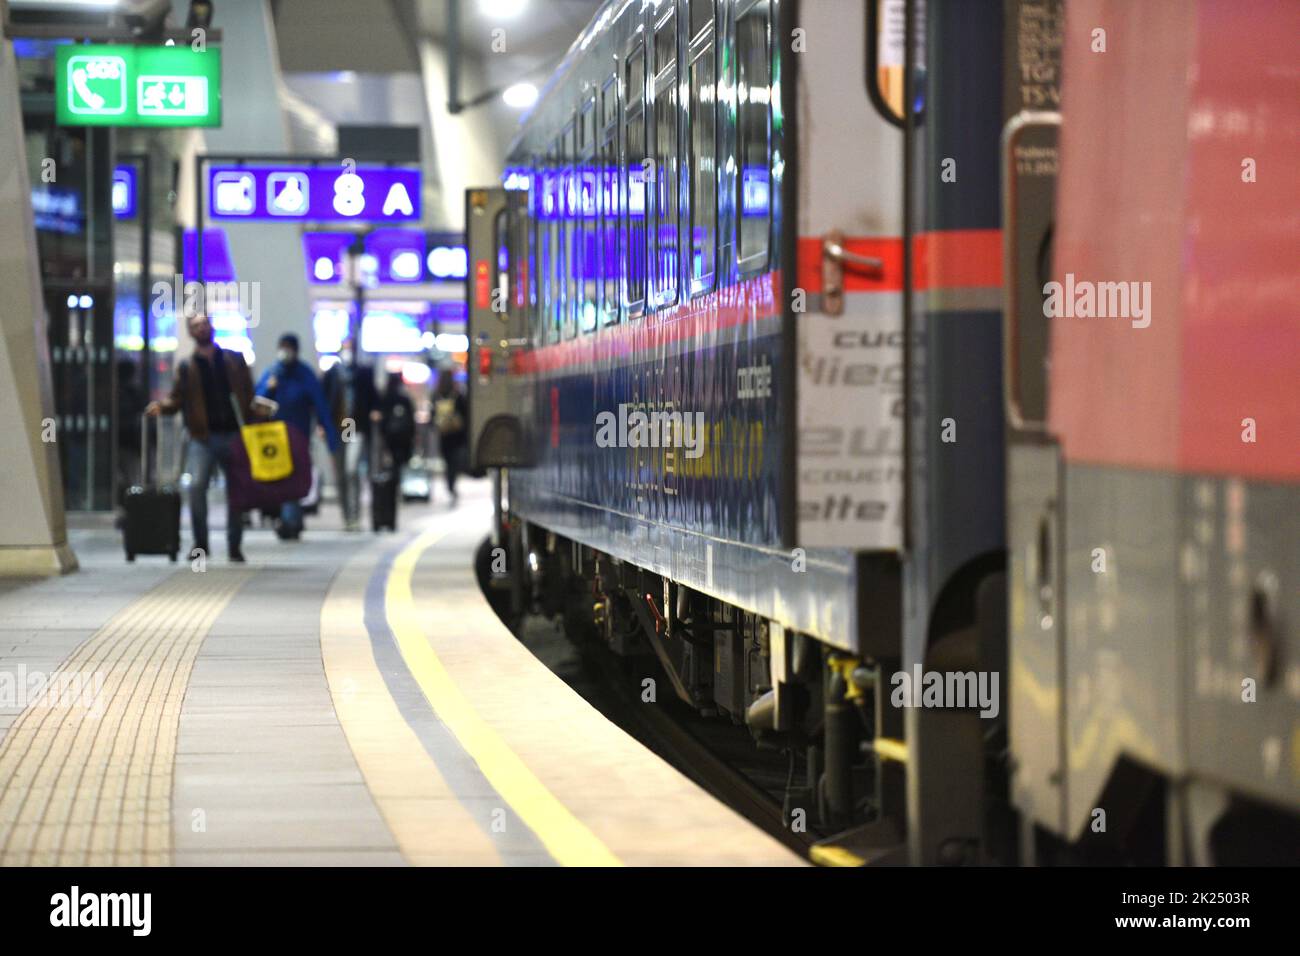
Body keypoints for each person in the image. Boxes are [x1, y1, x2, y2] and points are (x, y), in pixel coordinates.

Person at [145, 312, 257, 563]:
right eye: (196, 326)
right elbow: (177, 398)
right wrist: (162, 407)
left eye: (205, 324)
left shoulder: (233, 360)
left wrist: (255, 418)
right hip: (202, 437)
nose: (202, 328)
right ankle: (201, 544)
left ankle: (234, 545)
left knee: (236, 491)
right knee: (196, 488)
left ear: (212, 327)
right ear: (191, 332)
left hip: (233, 434)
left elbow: (248, 394)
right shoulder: (187, 367)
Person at [255, 333, 340, 539]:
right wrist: (269, 388)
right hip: (275, 438)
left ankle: (290, 521)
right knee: (282, 480)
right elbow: (257, 405)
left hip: (299, 437)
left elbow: (321, 406)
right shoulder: (272, 373)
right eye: (282, 347)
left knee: (293, 480)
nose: (285, 351)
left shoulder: (305, 375)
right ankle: (291, 520)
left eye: (288, 347)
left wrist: (331, 439)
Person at [322, 338, 377, 532]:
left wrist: (374, 413)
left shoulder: (363, 373)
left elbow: (373, 398)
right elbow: (324, 401)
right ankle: (346, 516)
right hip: (339, 426)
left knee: (351, 470)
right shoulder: (333, 375)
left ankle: (355, 515)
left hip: (354, 425)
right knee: (341, 475)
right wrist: (322, 425)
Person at [431, 368, 468, 505]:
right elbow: (465, 414)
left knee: (448, 462)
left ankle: (450, 485)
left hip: (444, 435)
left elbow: (432, 416)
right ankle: (452, 485)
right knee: (454, 462)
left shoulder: (436, 395)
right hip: (457, 435)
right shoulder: (457, 395)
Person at [376, 371, 416, 488]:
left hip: (391, 436)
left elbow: (382, 418)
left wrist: (382, 433)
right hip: (404, 437)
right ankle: (400, 483)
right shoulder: (404, 398)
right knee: (402, 461)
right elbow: (411, 419)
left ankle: (394, 483)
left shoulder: (386, 398)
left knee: (393, 461)